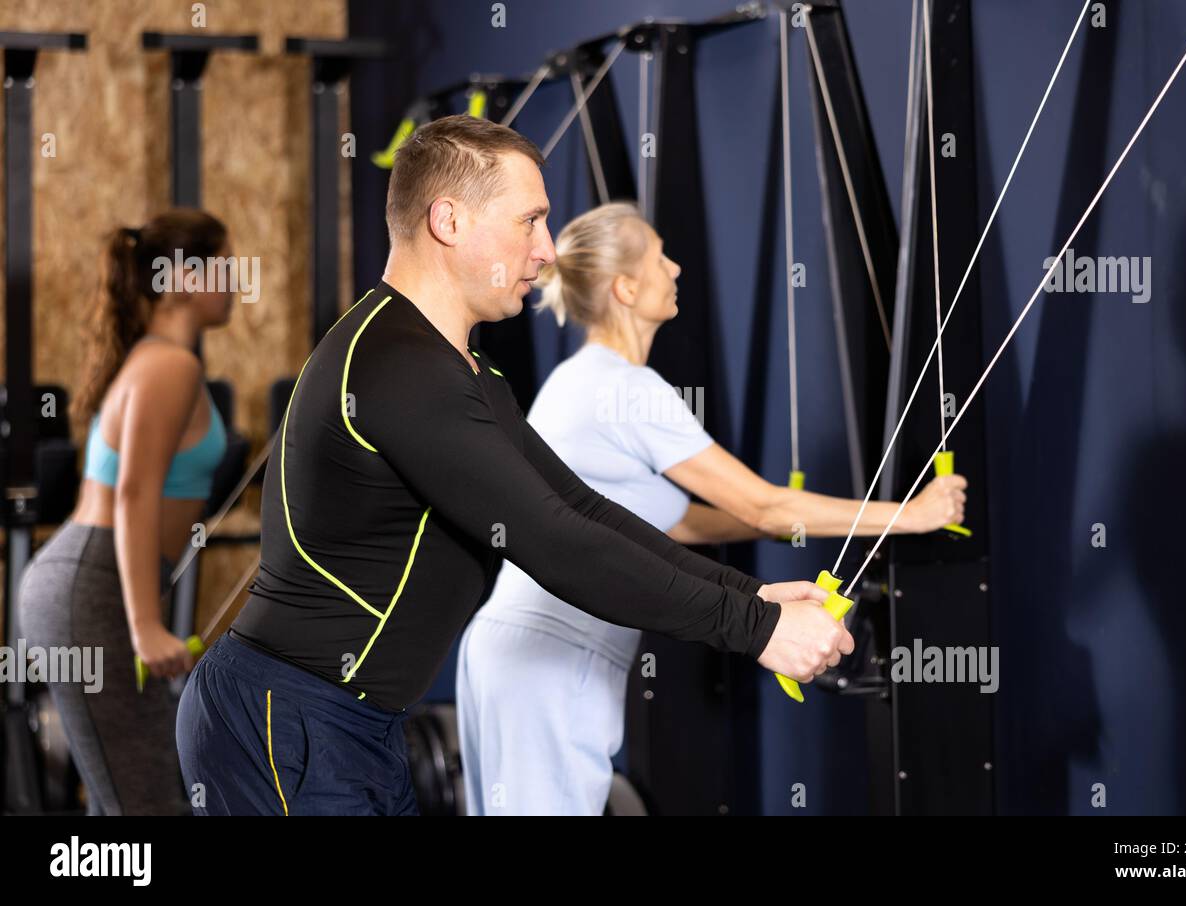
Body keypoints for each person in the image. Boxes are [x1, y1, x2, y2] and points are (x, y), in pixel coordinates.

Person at [174, 114, 851, 816]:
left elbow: (582, 510)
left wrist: (752, 598)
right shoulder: (396, 365)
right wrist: (755, 631)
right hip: (287, 717)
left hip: (352, 724)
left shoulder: (463, 372)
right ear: (449, 221)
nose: (547, 250)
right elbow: (555, 543)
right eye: (529, 221)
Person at [456, 202, 967, 815]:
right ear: (626, 287)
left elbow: (675, 524)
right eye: (659, 256)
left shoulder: (582, 379)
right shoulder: (627, 388)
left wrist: (779, 526)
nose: (675, 267)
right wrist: (917, 513)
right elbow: (766, 506)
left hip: (514, 652)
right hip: (552, 660)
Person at [18, 209, 233, 815]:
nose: (236, 282)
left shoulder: (160, 358)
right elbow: (135, 491)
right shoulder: (170, 364)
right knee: (146, 802)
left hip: (88, 583)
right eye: (224, 265)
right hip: (91, 585)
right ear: (186, 278)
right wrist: (144, 627)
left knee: (125, 793)